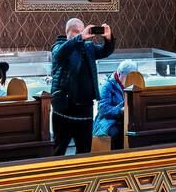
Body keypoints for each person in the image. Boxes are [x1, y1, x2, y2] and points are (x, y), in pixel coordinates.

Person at [50, 19, 113, 155]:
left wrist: (108, 39)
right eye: (78, 32)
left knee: (84, 149)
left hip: (85, 108)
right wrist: (80, 38)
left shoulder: (88, 47)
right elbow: (61, 54)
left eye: (83, 31)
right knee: (59, 148)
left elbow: (104, 52)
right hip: (65, 107)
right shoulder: (58, 46)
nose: (82, 35)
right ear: (69, 32)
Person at [94, 59, 138, 150]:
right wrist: (120, 111)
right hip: (107, 122)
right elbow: (103, 110)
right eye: (128, 78)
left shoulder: (133, 84)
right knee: (118, 133)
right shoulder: (107, 86)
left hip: (125, 120)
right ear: (119, 74)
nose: (130, 81)